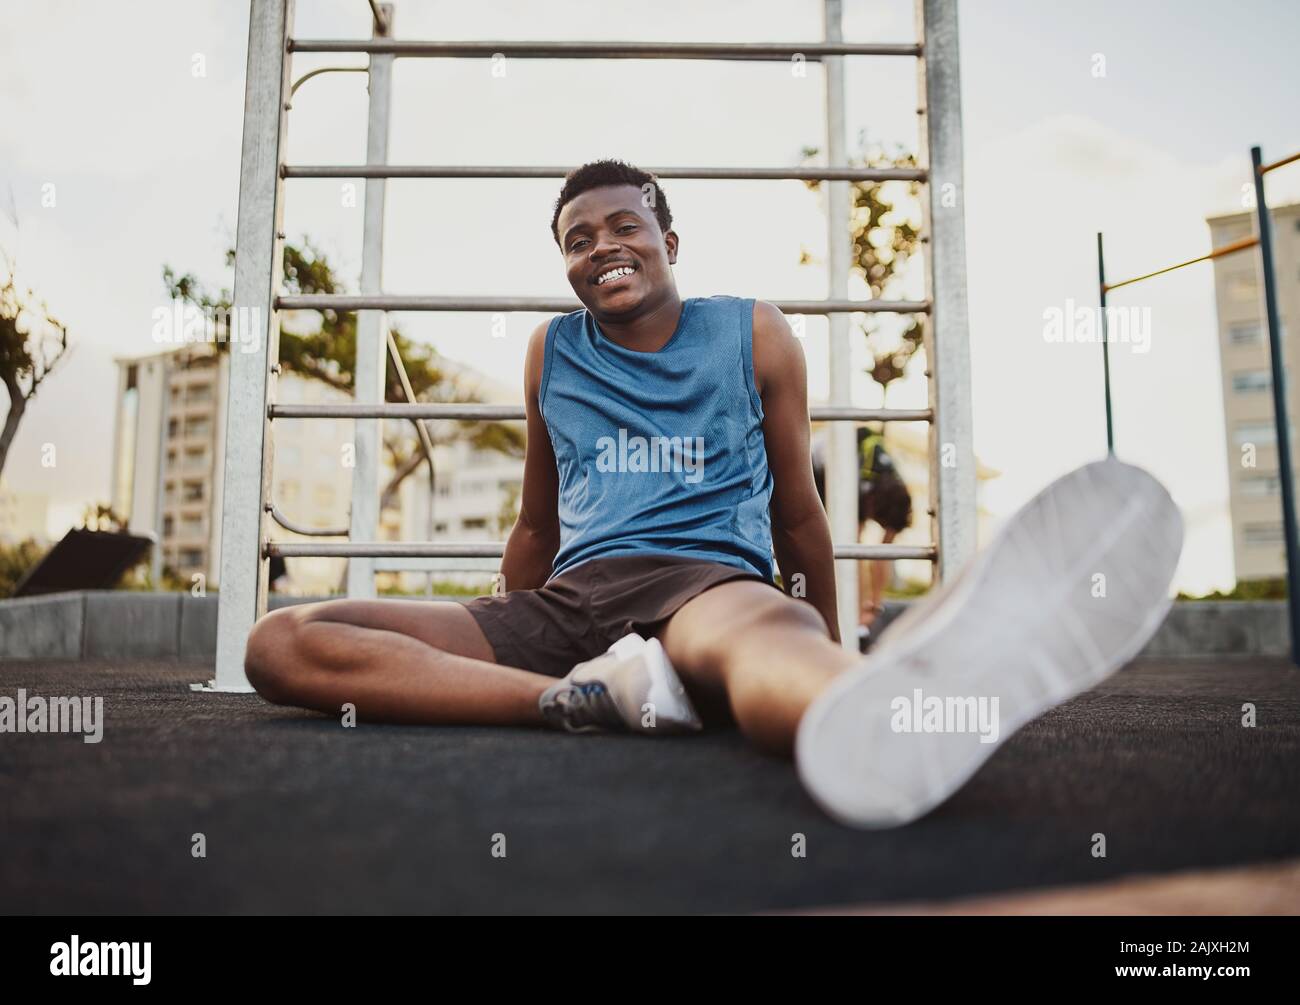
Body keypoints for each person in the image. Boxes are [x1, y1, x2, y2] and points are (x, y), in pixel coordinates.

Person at [242, 159, 1183, 828]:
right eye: (578, 240)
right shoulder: (550, 350)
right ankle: (579, 700)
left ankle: (869, 704)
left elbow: (798, 512)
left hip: (709, 584)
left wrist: (828, 635)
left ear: (667, 240)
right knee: (283, 641)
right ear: (566, 265)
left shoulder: (755, 332)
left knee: (770, 646)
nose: (601, 247)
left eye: (622, 227)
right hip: (570, 605)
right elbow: (536, 518)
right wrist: (519, 619)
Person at [812, 426, 913, 638]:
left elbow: (883, 555)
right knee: (844, 545)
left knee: (871, 551)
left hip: (849, 459)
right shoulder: (858, 490)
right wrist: (858, 614)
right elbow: (855, 555)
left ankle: (860, 611)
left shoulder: (897, 493)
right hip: (816, 465)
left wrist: (875, 606)